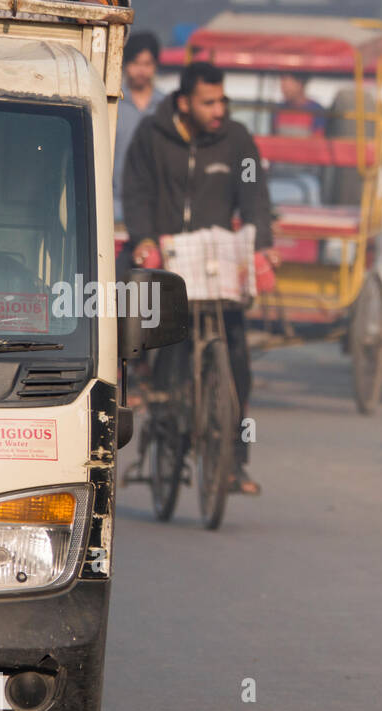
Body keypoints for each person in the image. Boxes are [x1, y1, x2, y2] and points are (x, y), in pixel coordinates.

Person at [122, 61, 280, 496]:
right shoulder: (152, 136)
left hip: (217, 266)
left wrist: (262, 247)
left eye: (222, 100)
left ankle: (232, 462)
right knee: (152, 329)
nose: (218, 109)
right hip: (166, 257)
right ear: (185, 101)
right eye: (209, 102)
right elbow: (135, 193)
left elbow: (255, 199)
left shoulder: (238, 141)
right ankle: (147, 388)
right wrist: (144, 239)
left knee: (237, 360)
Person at [113, 32, 165, 224]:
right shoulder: (112, 103)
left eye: (147, 64)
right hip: (114, 205)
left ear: (155, 66)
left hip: (154, 208)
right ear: (125, 65)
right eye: (136, 63)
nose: (141, 71)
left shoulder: (165, 107)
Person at [273, 71, 327, 137]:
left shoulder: (317, 110)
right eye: (282, 84)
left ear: (300, 84)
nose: (282, 89)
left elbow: (318, 142)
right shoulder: (278, 109)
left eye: (286, 85)